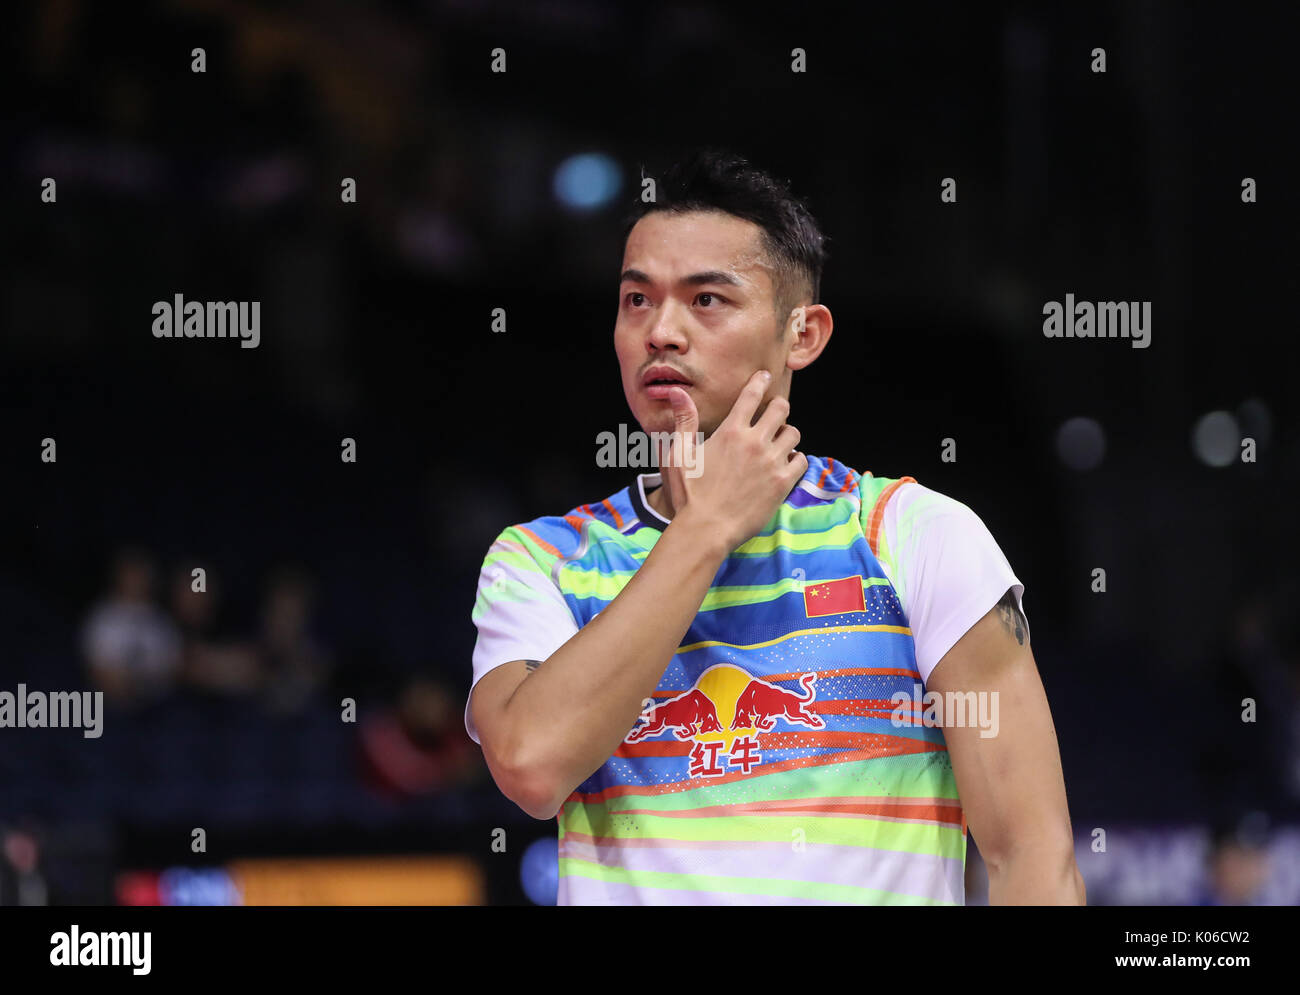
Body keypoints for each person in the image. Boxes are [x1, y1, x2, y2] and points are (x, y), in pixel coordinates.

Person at [464, 148, 1084, 905]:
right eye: (636, 300)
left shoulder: (916, 536)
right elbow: (531, 765)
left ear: (804, 334)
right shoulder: (543, 560)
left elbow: (1031, 855)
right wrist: (704, 531)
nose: (662, 331)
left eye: (706, 300)